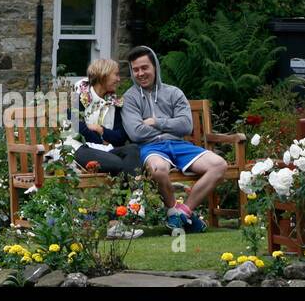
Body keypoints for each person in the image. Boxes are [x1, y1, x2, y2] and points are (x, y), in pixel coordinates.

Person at [120, 45, 229, 232]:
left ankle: (182, 212)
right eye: (135, 69)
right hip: (151, 148)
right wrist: (171, 127)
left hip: (179, 145)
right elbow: (136, 133)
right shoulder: (129, 98)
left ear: (155, 67)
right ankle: (174, 212)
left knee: (219, 165)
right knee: (157, 170)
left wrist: (155, 122)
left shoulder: (174, 93)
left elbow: (186, 126)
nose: (140, 73)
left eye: (144, 67)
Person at [73, 58, 142, 239]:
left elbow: (121, 136)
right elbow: (77, 128)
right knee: (118, 164)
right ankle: (114, 223)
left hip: (106, 149)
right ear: (103, 75)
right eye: (116, 74)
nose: (119, 79)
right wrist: (99, 136)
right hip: (79, 148)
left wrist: (101, 130)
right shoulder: (80, 95)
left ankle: (136, 199)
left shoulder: (116, 103)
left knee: (132, 149)